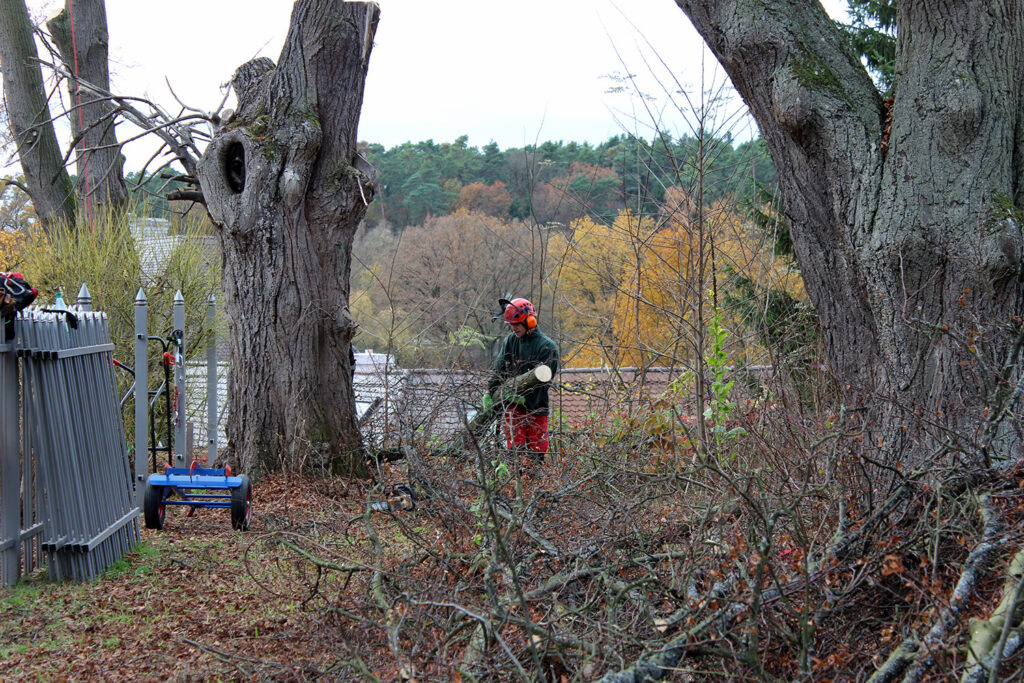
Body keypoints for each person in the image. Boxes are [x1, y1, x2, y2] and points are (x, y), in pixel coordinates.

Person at [485, 297, 559, 460]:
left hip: (537, 406)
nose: (513, 328)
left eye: (516, 324)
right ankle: (516, 483)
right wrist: (489, 391)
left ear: (530, 321)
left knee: (536, 455)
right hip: (514, 408)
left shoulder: (547, 347)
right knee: (515, 456)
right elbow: (499, 369)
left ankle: (535, 484)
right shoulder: (510, 341)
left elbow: (542, 383)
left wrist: (523, 396)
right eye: (511, 324)